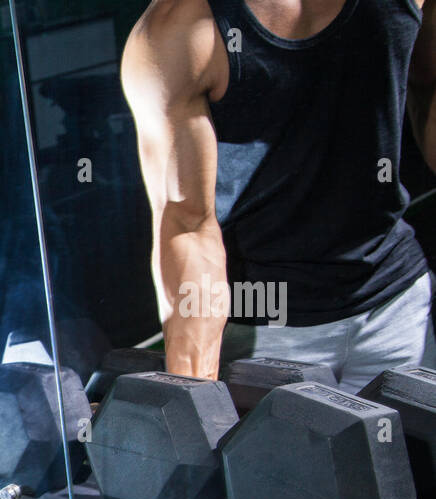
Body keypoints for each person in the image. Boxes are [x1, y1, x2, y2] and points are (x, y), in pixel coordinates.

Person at [122, 0, 436, 390]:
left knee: (407, 450)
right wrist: (194, 400)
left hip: (397, 304)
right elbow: (187, 226)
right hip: (268, 331)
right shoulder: (181, 28)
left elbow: (427, 79)